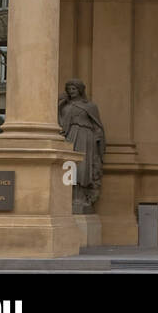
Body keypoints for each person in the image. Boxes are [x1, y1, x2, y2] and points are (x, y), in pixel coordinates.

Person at [58, 79, 105, 213]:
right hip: (70, 136)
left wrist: (98, 138)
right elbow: (60, 122)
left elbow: (98, 126)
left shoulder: (90, 106)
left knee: (83, 167)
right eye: (69, 89)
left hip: (85, 138)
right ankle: (68, 197)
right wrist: (60, 105)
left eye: (73, 89)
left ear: (80, 90)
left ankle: (81, 197)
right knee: (69, 166)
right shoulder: (66, 107)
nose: (71, 92)